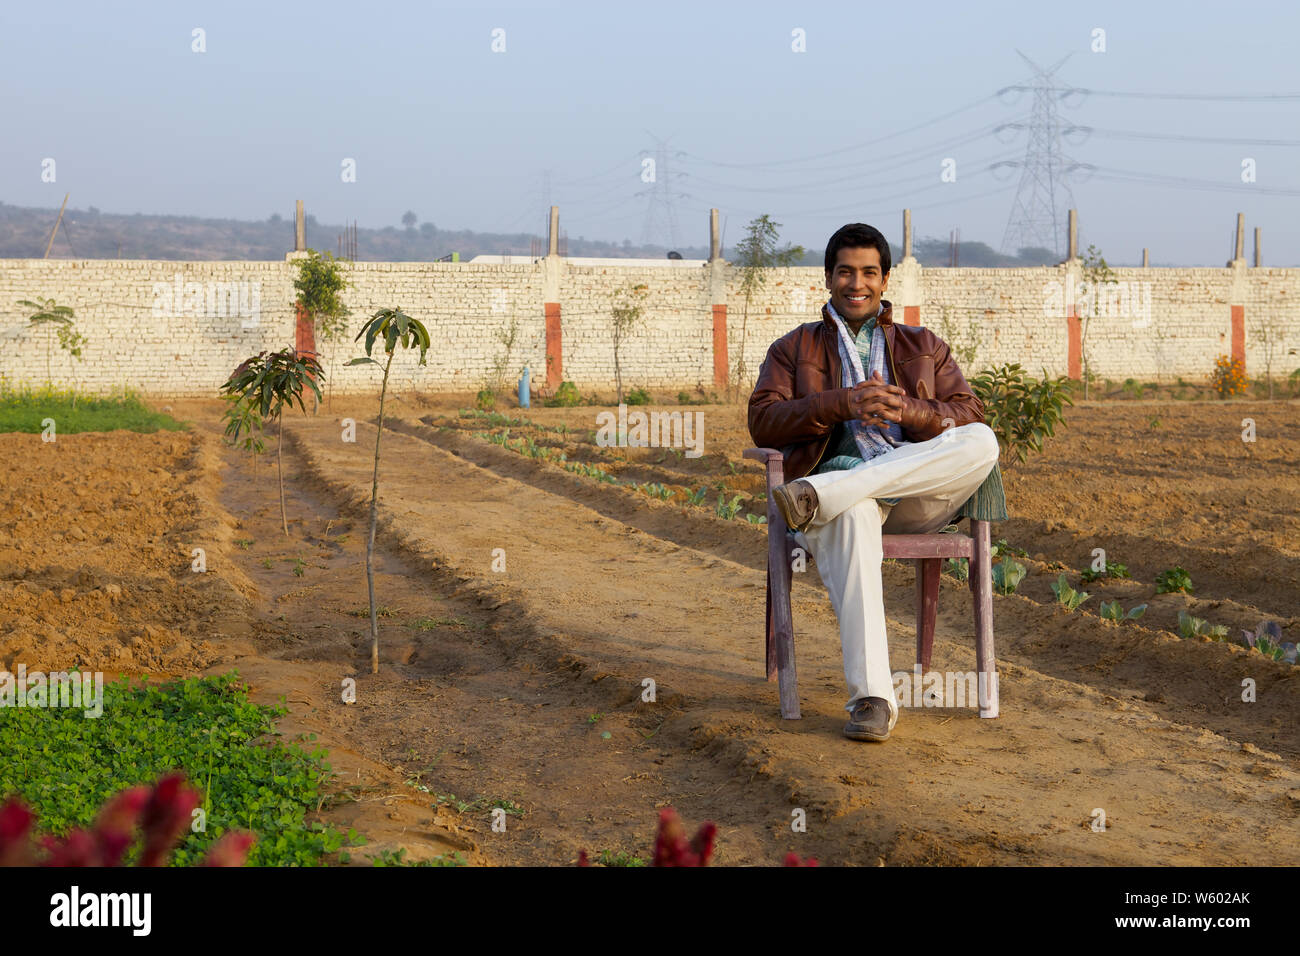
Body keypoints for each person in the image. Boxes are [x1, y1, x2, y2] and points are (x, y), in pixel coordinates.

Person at [747, 222, 1005, 742]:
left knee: (983, 440)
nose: (856, 283)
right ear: (828, 279)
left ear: (885, 280)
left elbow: (969, 411)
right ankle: (874, 698)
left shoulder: (923, 344)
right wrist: (838, 404)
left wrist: (908, 409)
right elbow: (763, 421)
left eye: (869, 272)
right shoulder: (792, 348)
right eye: (845, 272)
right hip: (842, 498)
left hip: (908, 493)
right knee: (857, 511)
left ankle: (819, 496)